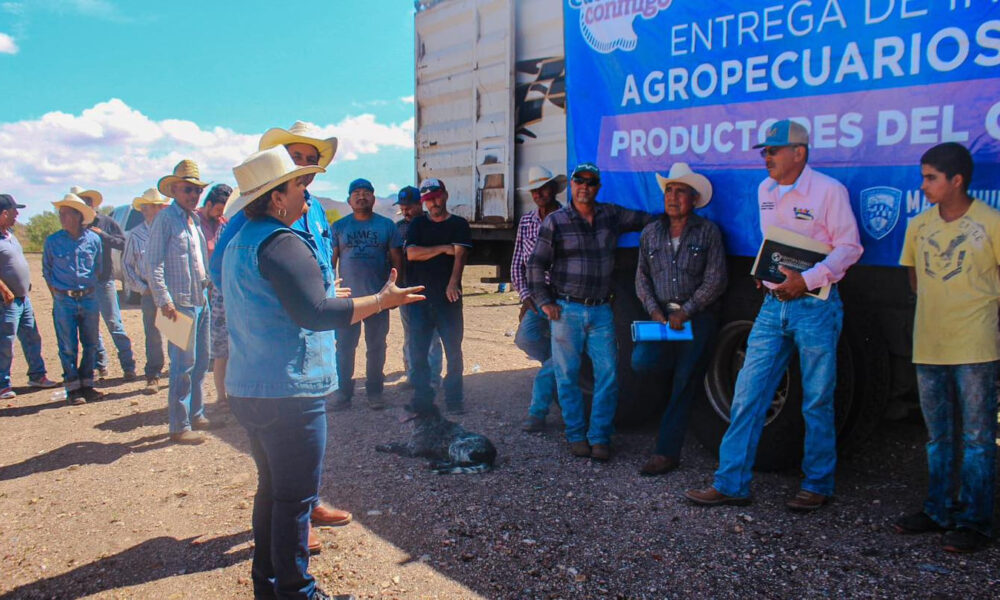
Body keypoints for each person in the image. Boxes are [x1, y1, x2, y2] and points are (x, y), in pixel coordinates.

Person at [223, 146, 423, 600]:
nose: (306, 195)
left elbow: (283, 298)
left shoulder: (242, 240)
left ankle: (269, 587)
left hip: (250, 387)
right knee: (293, 500)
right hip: (288, 392)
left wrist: (330, 292)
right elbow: (315, 313)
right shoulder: (281, 241)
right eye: (298, 186)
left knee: (272, 493)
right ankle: (299, 592)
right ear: (277, 198)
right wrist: (381, 301)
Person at [685, 120, 862, 511]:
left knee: (817, 398)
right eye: (764, 151)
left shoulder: (829, 191)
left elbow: (849, 247)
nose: (766, 157)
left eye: (773, 150)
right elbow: (775, 244)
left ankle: (817, 484)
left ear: (799, 152)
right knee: (748, 394)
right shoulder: (765, 189)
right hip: (772, 306)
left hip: (815, 306)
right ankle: (731, 482)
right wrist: (767, 277)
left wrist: (809, 280)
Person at [210, 122, 353, 531]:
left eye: (311, 160)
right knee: (284, 440)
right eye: (297, 158)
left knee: (304, 436)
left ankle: (307, 503)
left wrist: (324, 286)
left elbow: (319, 258)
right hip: (277, 347)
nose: (305, 167)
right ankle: (294, 524)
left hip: (311, 335)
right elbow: (225, 269)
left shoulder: (315, 208)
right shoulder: (249, 211)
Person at [894, 142, 999, 553]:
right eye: (922, 177)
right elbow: (915, 279)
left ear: (957, 180)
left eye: (931, 177)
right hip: (930, 345)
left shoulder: (990, 222)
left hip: (975, 345)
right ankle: (938, 509)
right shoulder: (919, 225)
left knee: (977, 437)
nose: (923, 185)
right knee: (938, 436)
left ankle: (975, 521)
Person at [527, 162, 653, 461]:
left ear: (598, 187)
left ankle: (599, 437)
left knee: (608, 375)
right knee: (567, 376)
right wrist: (544, 301)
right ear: (571, 185)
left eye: (591, 182)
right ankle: (575, 436)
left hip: (601, 312)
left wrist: (675, 219)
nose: (585, 186)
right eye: (579, 181)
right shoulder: (556, 221)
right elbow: (536, 264)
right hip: (566, 310)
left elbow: (648, 220)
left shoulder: (611, 215)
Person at [633, 163, 726, 475]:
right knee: (641, 363)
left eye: (681, 191)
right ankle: (677, 393)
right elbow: (641, 279)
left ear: (694, 199)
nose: (673, 197)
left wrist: (685, 311)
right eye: (669, 190)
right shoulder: (650, 233)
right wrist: (656, 312)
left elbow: (716, 281)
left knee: (684, 381)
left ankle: (666, 452)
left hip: (694, 318)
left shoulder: (708, 232)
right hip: (661, 321)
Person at [146, 159, 216, 445]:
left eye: (196, 190)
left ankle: (196, 413)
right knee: (181, 365)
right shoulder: (166, 219)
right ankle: (179, 424)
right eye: (187, 190)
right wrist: (164, 300)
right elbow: (153, 264)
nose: (192, 195)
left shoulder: (194, 219)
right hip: (178, 303)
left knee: (200, 362)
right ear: (175, 189)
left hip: (200, 299)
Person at [331, 178, 403, 411]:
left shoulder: (387, 226)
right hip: (346, 301)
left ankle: (375, 393)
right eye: (356, 193)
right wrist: (329, 289)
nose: (361, 196)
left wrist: (393, 292)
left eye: (366, 193)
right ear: (349, 200)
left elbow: (397, 260)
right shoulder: (340, 227)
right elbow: (331, 261)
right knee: (344, 348)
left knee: (376, 347)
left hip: (378, 299)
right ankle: (343, 394)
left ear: (373, 197)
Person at [404, 178, 472, 415]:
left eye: (436, 196)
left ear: (445, 195)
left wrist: (453, 283)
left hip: (448, 299)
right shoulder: (417, 225)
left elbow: (461, 255)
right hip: (420, 298)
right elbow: (411, 254)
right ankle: (423, 400)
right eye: (428, 200)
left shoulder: (459, 224)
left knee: (454, 352)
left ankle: (454, 399)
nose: (433, 203)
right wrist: (444, 249)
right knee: (419, 353)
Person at [511, 166, 564, 432]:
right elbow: (517, 263)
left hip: (561, 299)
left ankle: (537, 412)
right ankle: (560, 363)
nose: (539, 194)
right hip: (535, 298)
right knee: (525, 338)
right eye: (534, 190)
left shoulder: (567, 217)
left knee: (554, 361)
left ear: (554, 189)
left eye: (544, 188)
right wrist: (524, 296)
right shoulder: (527, 220)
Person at [42, 194, 102, 405]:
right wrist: (58, 295)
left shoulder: (94, 240)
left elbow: (98, 267)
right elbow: (47, 271)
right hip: (64, 300)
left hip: (89, 297)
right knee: (67, 345)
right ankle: (73, 388)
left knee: (91, 343)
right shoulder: (53, 241)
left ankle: (87, 384)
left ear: (78, 216)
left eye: (67, 214)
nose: (62, 218)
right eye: (61, 214)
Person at [71, 185, 136, 380]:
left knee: (114, 324)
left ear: (92, 203)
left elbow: (123, 242)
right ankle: (101, 365)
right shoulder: (76, 225)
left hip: (104, 280)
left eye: (86, 201)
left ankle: (128, 366)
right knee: (90, 327)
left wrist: (102, 236)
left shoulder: (106, 222)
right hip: (83, 283)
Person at [0, 194, 58, 399]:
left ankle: (37, 375)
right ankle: (2, 384)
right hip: (5, 301)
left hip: (23, 298)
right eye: (14, 211)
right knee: (5, 342)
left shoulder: (10, 235)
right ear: (4, 213)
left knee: (32, 336)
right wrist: (4, 288)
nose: (17, 215)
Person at [122, 188, 171, 394]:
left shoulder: (170, 231)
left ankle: (176, 371)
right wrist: (142, 289)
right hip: (150, 292)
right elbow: (127, 266)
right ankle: (153, 374)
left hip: (170, 290)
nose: (145, 210)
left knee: (176, 332)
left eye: (158, 206)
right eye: (152, 206)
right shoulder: (135, 235)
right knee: (153, 334)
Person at [395, 186, 442, 388]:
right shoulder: (398, 228)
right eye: (403, 207)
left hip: (429, 289)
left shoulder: (432, 225)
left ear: (420, 204)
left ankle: (433, 379)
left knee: (431, 336)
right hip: (406, 289)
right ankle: (413, 377)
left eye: (409, 207)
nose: (406, 211)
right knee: (410, 336)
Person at [197, 184, 230, 259]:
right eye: (218, 210)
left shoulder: (223, 222)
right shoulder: (193, 221)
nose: (221, 214)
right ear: (209, 205)